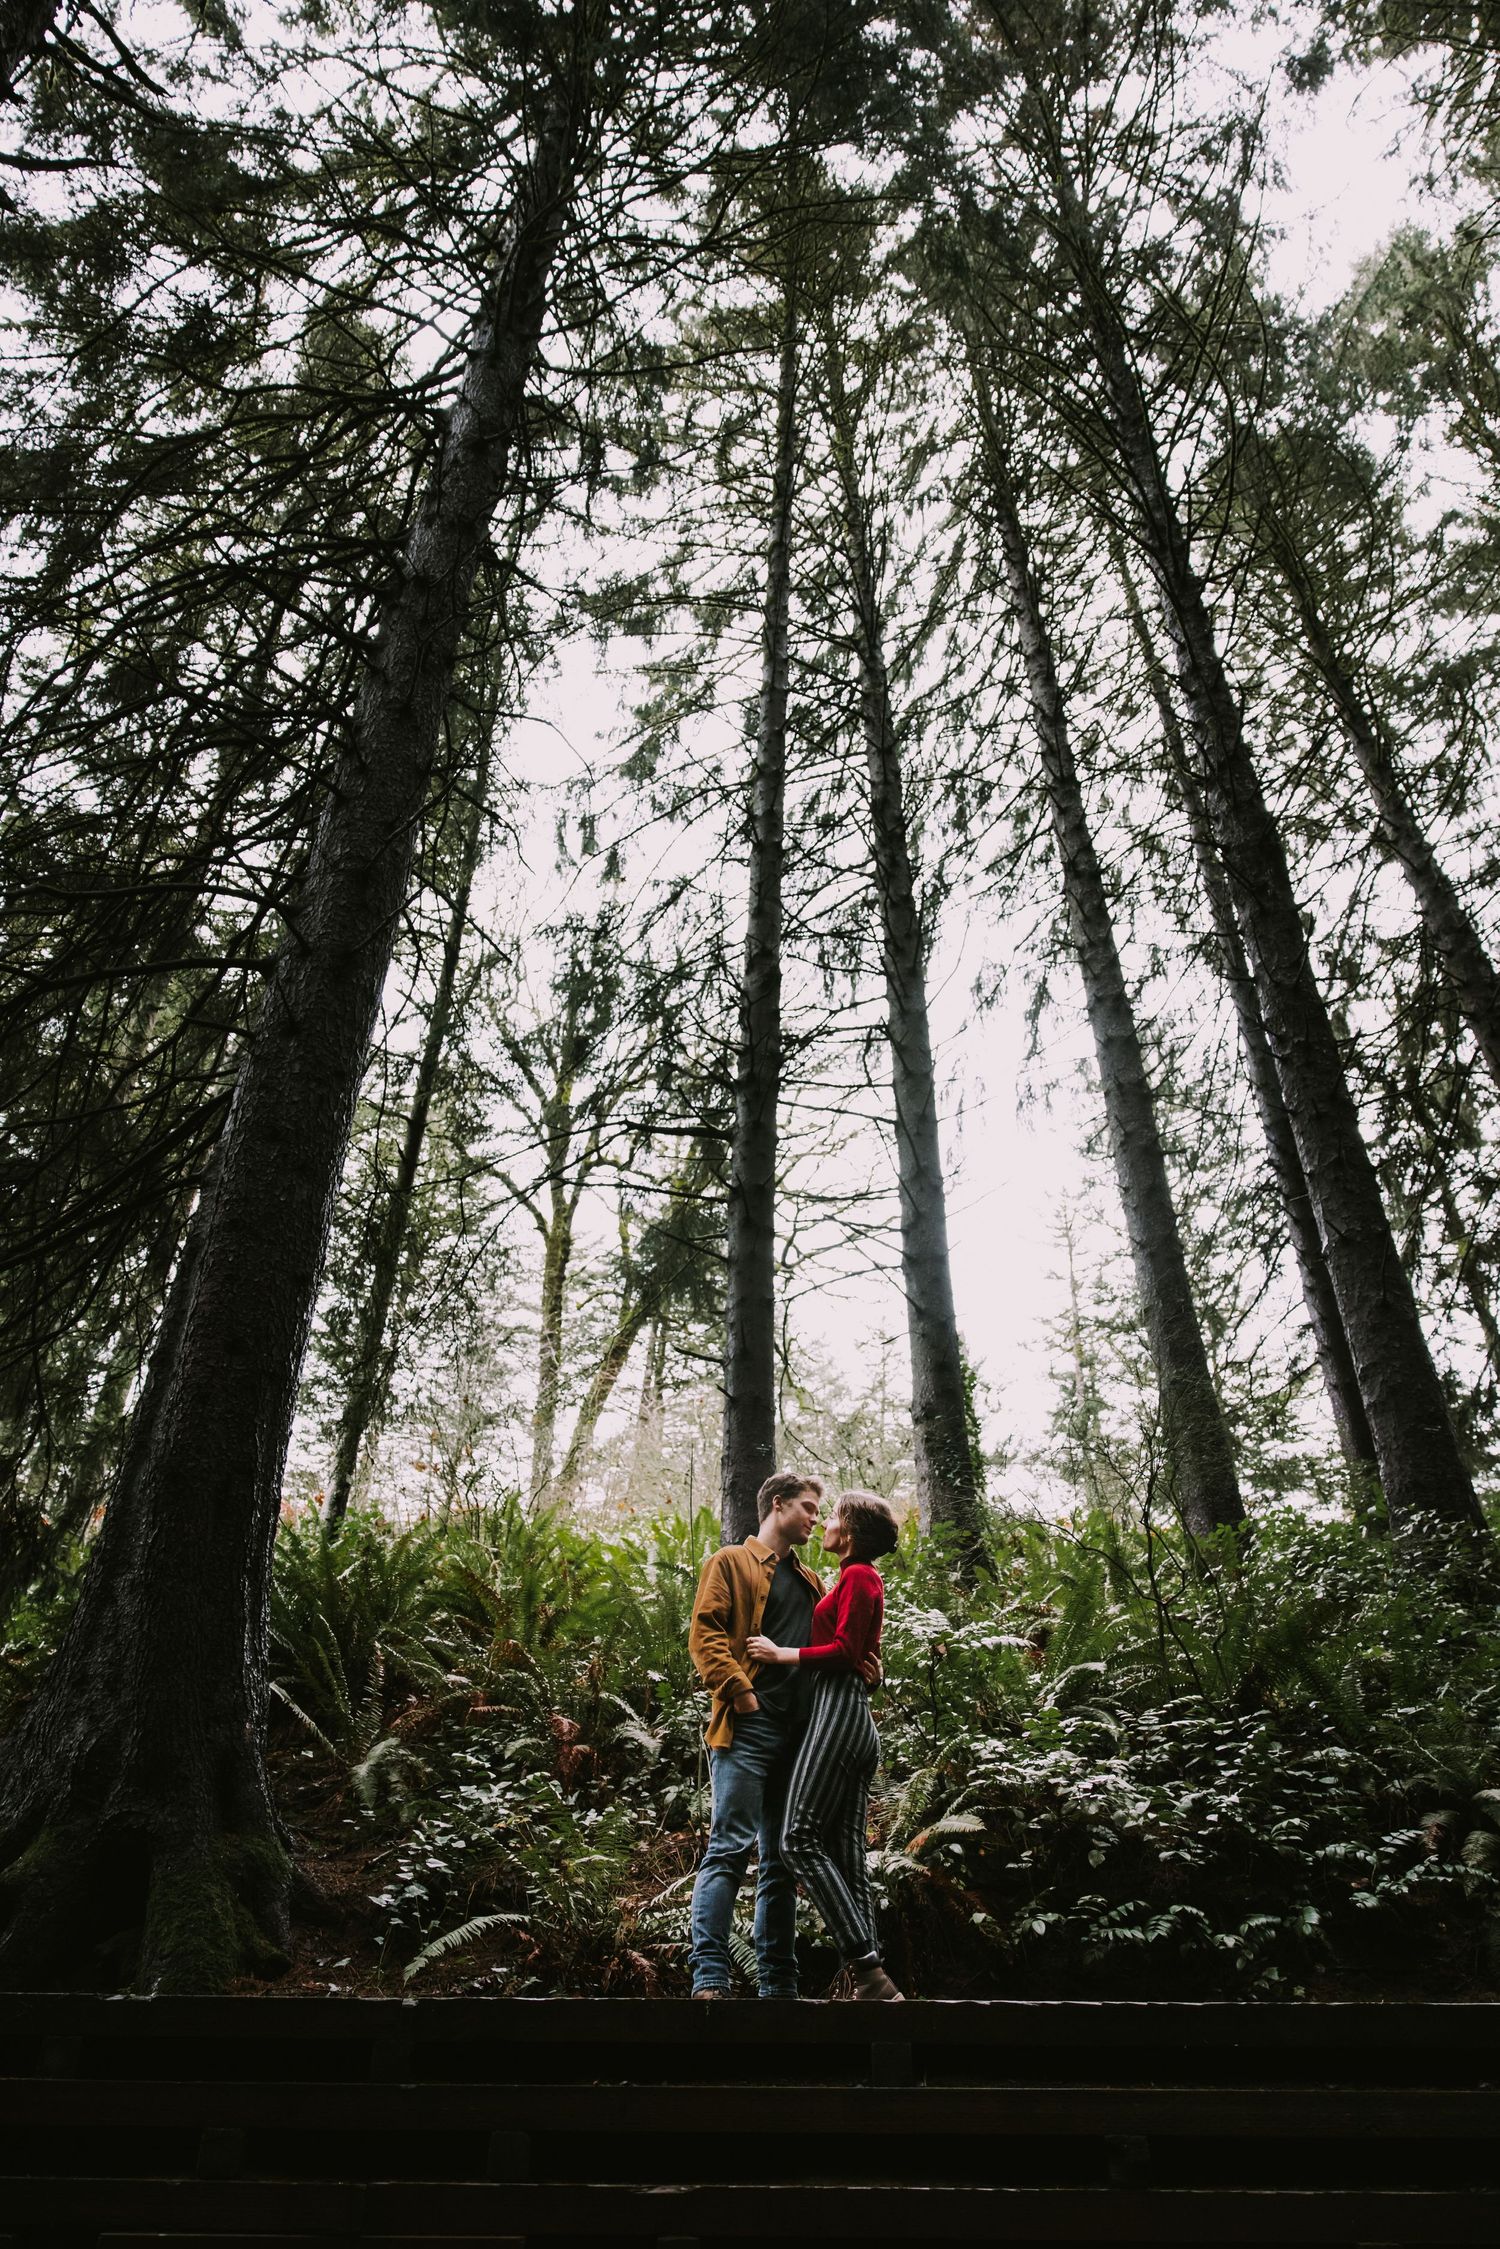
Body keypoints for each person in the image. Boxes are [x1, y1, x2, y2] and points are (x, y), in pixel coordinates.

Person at [687, 1470, 874, 2000]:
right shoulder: (730, 1562)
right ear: (776, 1504)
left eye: (820, 1511)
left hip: (802, 1740)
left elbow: (837, 1649)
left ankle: (779, 1986)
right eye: (809, 1508)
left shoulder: (815, 1582)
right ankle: (710, 1979)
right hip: (747, 1730)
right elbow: (706, 1636)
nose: (817, 1518)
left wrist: (865, 1670)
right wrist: (743, 1695)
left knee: (780, 1861)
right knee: (727, 1850)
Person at [747, 1488, 904, 2002]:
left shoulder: (859, 1575)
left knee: (796, 1840)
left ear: (850, 1531)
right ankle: (873, 1990)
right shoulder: (850, 1578)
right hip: (852, 1714)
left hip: (839, 1715)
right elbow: (859, 1651)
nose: (825, 1523)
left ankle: (867, 1968)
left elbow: (845, 1651)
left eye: (832, 1515)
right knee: (848, 1857)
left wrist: (780, 1654)